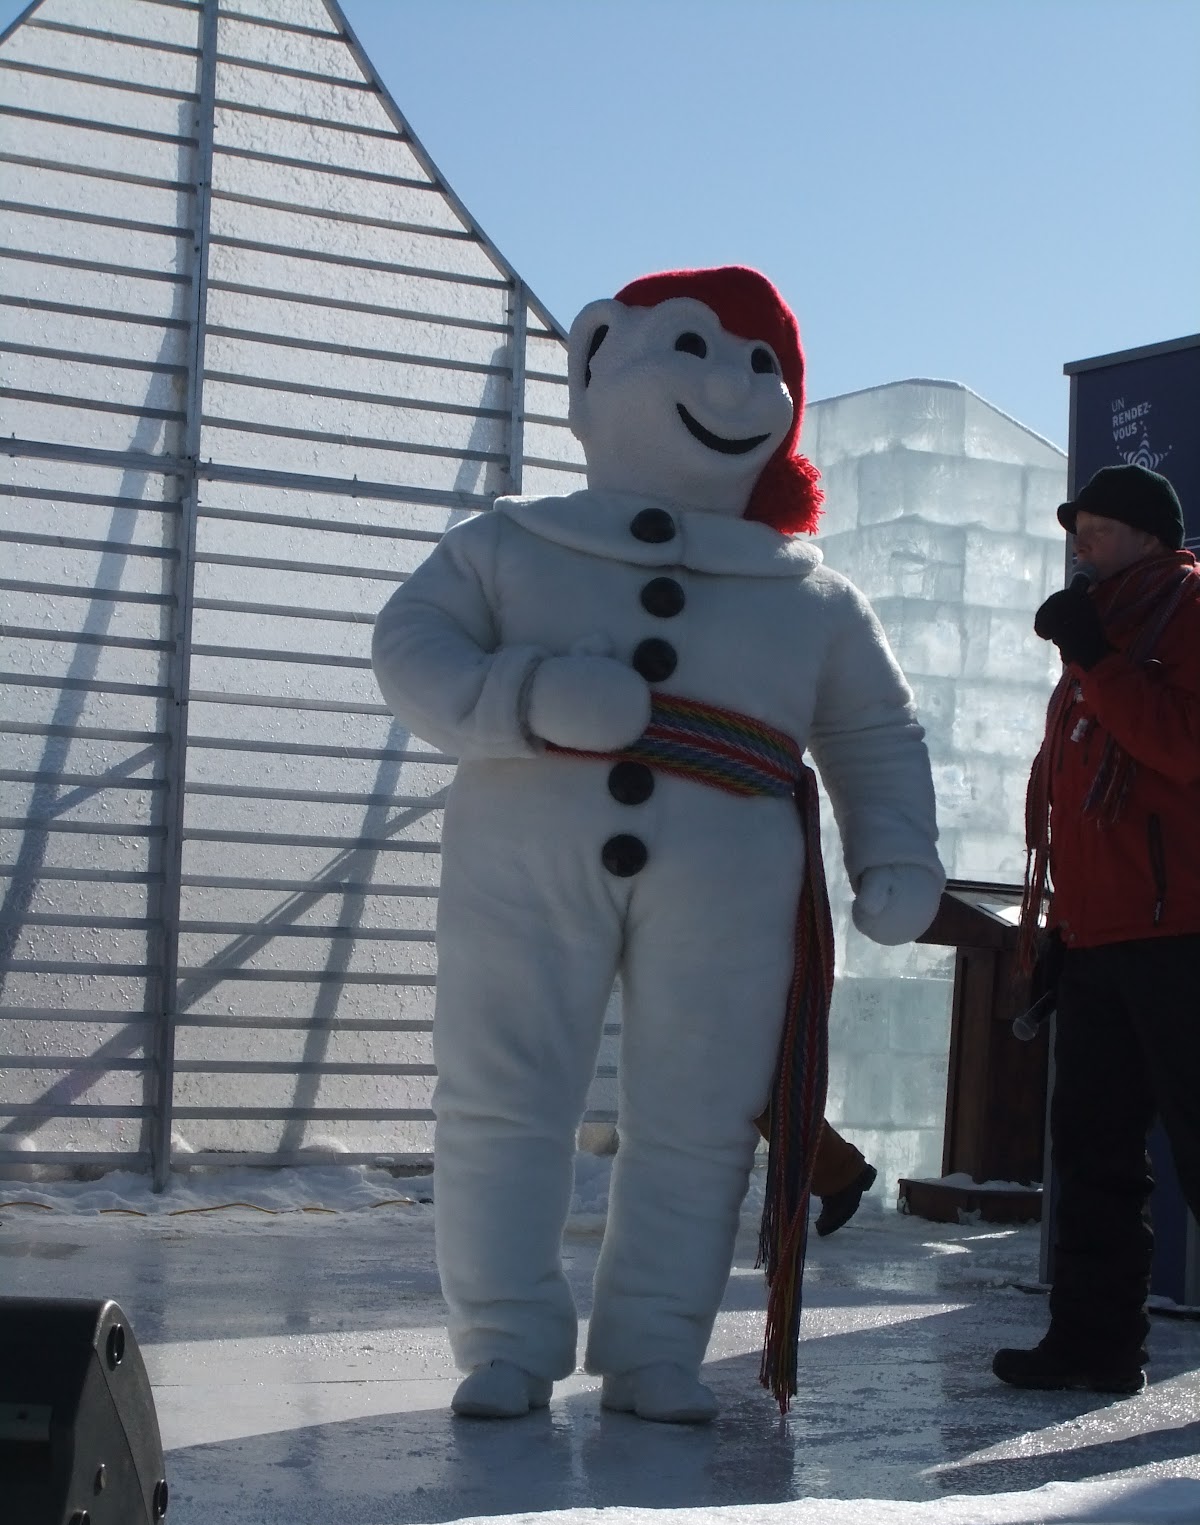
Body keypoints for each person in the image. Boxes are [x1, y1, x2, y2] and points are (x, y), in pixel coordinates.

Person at [373, 266, 943, 1423]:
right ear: (596, 361)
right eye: (694, 348)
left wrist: (896, 849)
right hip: (524, 861)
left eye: (763, 363)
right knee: (501, 1096)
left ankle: (657, 1350)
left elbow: (874, 729)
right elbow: (409, 645)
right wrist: (524, 696)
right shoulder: (512, 543)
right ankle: (504, 1338)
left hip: (729, 883)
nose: (734, 383)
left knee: (699, 1116)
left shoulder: (810, 596)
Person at [994, 463, 1200, 1395]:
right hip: (1101, 933)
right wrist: (1059, 924)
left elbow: (1184, 751)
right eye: (1078, 528)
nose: (1083, 543)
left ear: (1156, 537)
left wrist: (1100, 661)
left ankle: (1096, 1341)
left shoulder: (1187, 612)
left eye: (1104, 528)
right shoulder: (1100, 636)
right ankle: (1094, 1344)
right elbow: (1066, 794)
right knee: (1092, 1153)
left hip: (1182, 926)